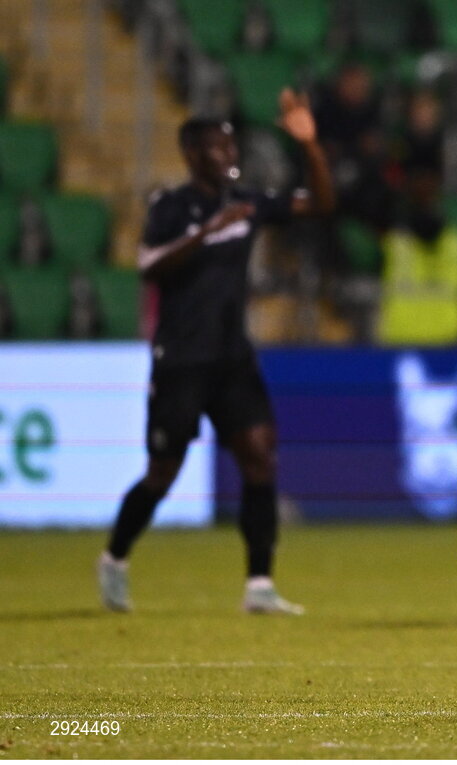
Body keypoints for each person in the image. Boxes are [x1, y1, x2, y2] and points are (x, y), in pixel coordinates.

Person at [97, 89, 335, 614]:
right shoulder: (171, 206)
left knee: (259, 458)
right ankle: (115, 558)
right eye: (216, 149)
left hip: (231, 357)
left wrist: (310, 144)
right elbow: (150, 266)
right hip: (181, 358)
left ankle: (260, 586)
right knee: (162, 472)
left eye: (231, 147)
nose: (228, 156)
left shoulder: (246, 204)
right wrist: (207, 233)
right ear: (191, 155)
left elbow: (320, 204)